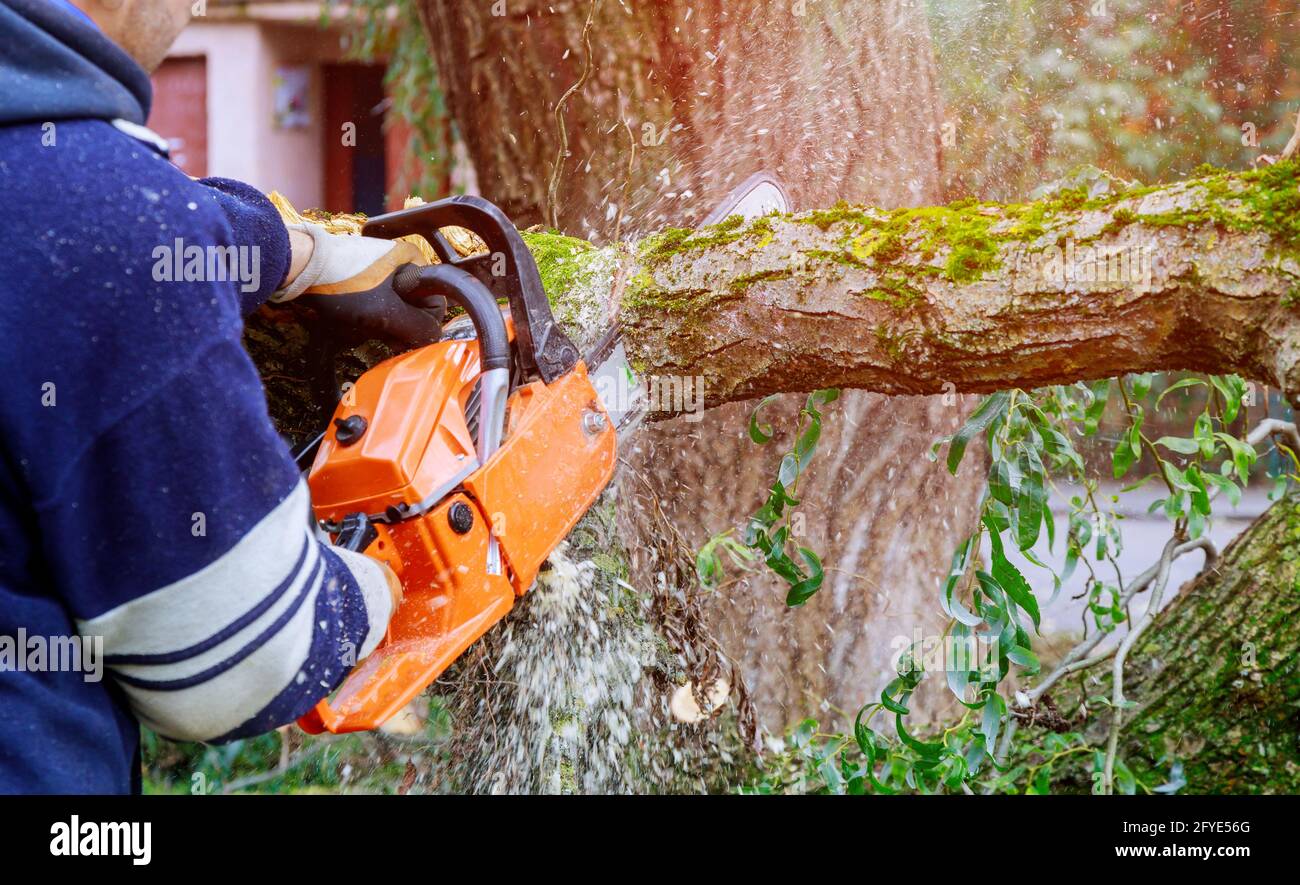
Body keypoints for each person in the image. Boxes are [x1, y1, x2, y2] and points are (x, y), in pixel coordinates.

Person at [0, 0, 429, 792]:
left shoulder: (60, 173)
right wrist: (387, 576)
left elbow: (64, 219)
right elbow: (243, 660)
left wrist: (296, 245)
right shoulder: (103, 214)